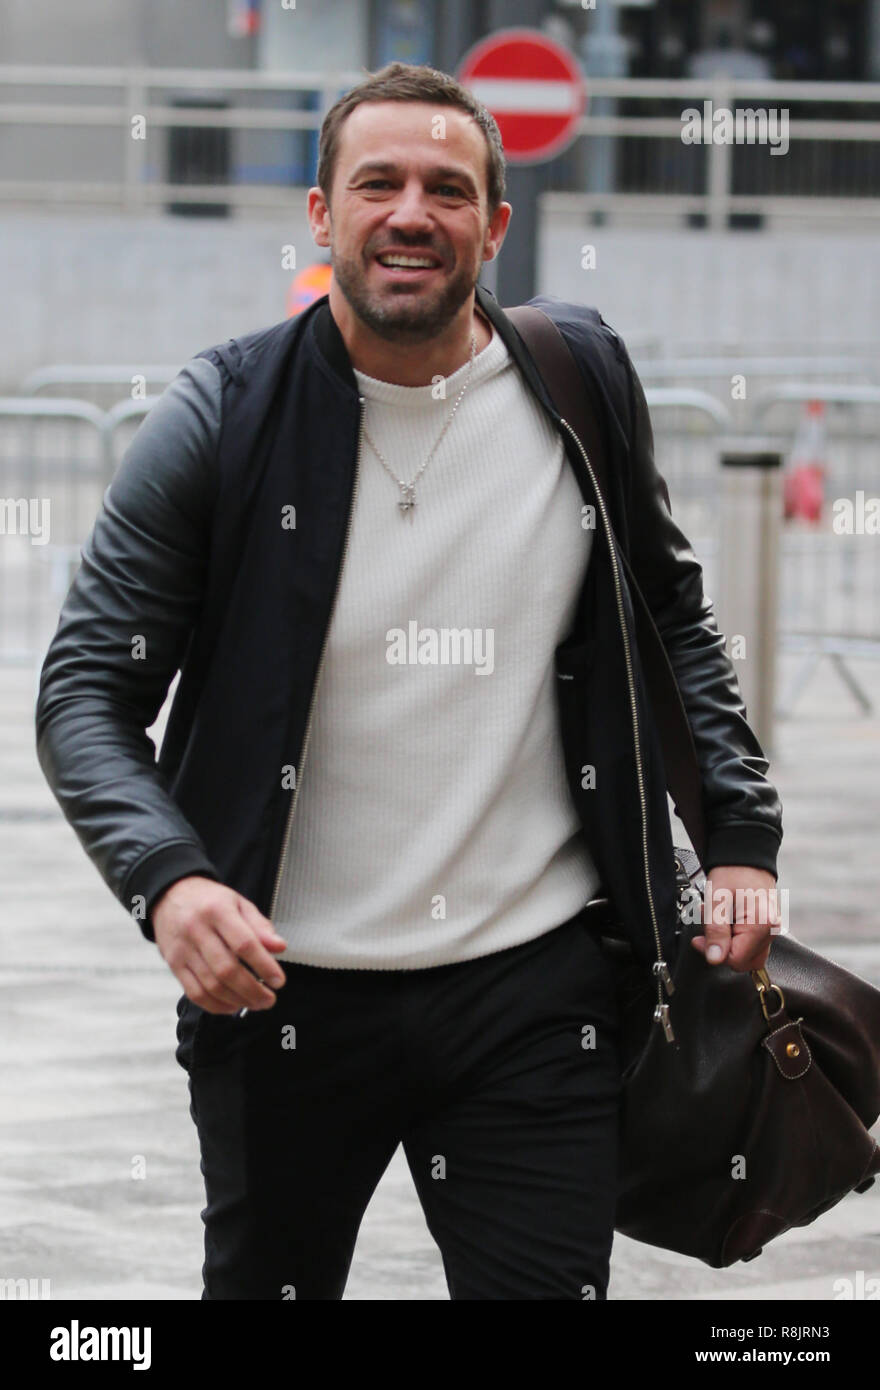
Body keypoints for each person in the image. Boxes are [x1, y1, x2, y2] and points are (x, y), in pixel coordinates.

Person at [35, 62, 782, 1301]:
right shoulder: (222, 416)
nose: (410, 213)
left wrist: (742, 833)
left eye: (447, 188)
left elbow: (671, 617)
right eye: (376, 182)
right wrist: (168, 878)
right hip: (283, 992)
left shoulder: (579, 380)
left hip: (534, 990)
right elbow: (83, 692)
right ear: (321, 214)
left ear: (494, 224)